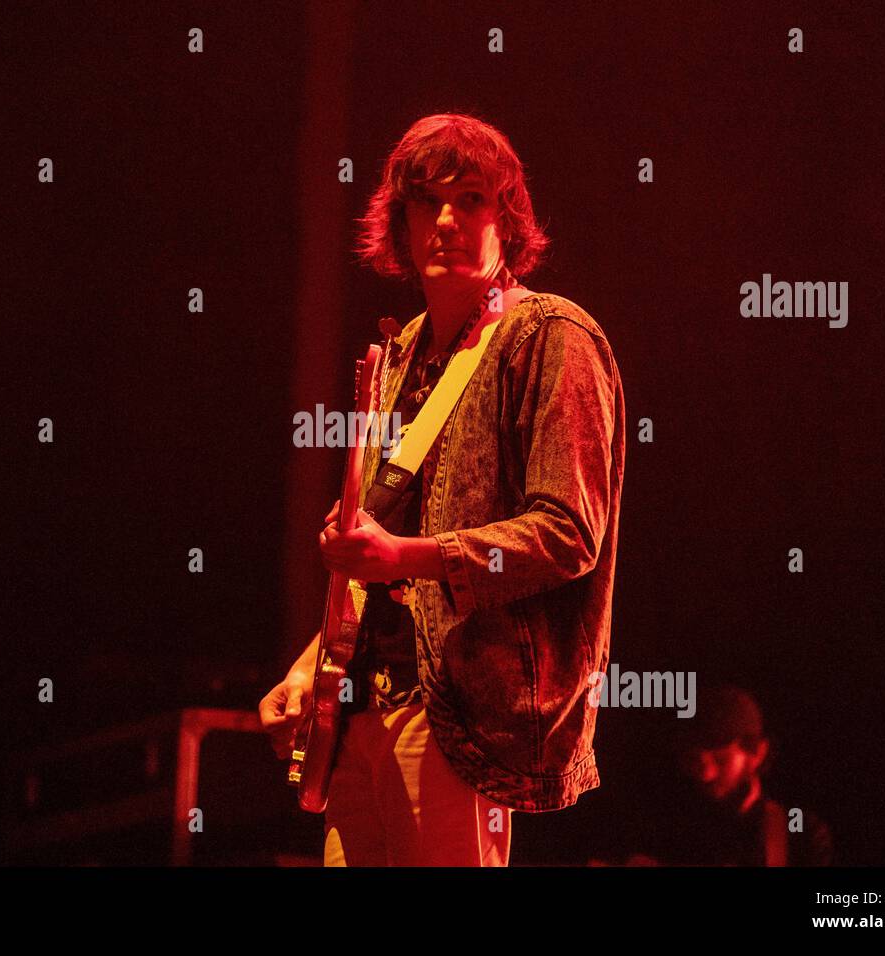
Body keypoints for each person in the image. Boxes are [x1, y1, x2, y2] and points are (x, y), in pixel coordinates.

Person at [260, 113, 626, 865]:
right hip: (360, 711)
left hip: (457, 716)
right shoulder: (396, 355)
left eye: (471, 200)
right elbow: (376, 550)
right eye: (426, 202)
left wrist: (410, 558)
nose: (447, 221)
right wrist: (308, 669)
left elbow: (568, 535)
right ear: (400, 221)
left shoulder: (552, 337)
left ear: (509, 217)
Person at [651, 686, 833, 866]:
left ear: (757, 753)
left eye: (720, 759)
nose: (705, 775)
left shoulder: (800, 834)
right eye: (693, 760)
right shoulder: (663, 832)